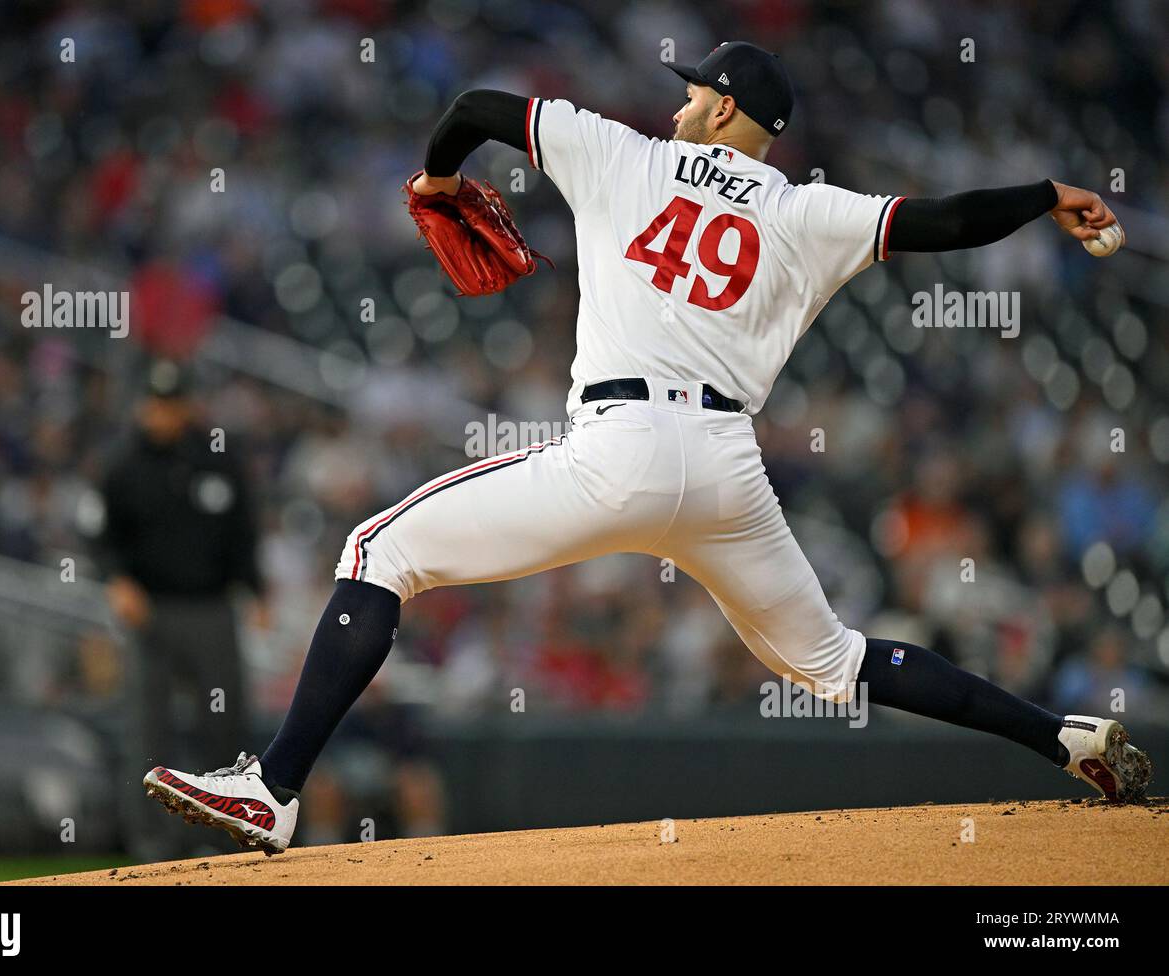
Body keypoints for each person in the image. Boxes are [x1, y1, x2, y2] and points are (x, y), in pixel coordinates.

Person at [142, 42, 1151, 853]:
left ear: (720, 107)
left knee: (379, 551)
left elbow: (484, 106)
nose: (675, 105)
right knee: (836, 658)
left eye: (691, 92)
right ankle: (1059, 737)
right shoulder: (806, 213)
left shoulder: (623, 153)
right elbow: (947, 219)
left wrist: (439, 178)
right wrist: (1046, 193)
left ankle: (273, 790)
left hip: (617, 449)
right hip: (723, 469)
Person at [92, 359, 267, 856]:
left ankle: (227, 838)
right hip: (152, 612)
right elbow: (103, 537)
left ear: (187, 406)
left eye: (172, 404)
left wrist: (254, 589)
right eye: (156, 403)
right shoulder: (123, 464)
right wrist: (117, 580)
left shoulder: (216, 460)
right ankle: (152, 845)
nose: (163, 414)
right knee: (150, 728)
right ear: (143, 405)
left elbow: (243, 533)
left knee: (224, 726)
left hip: (212, 609)